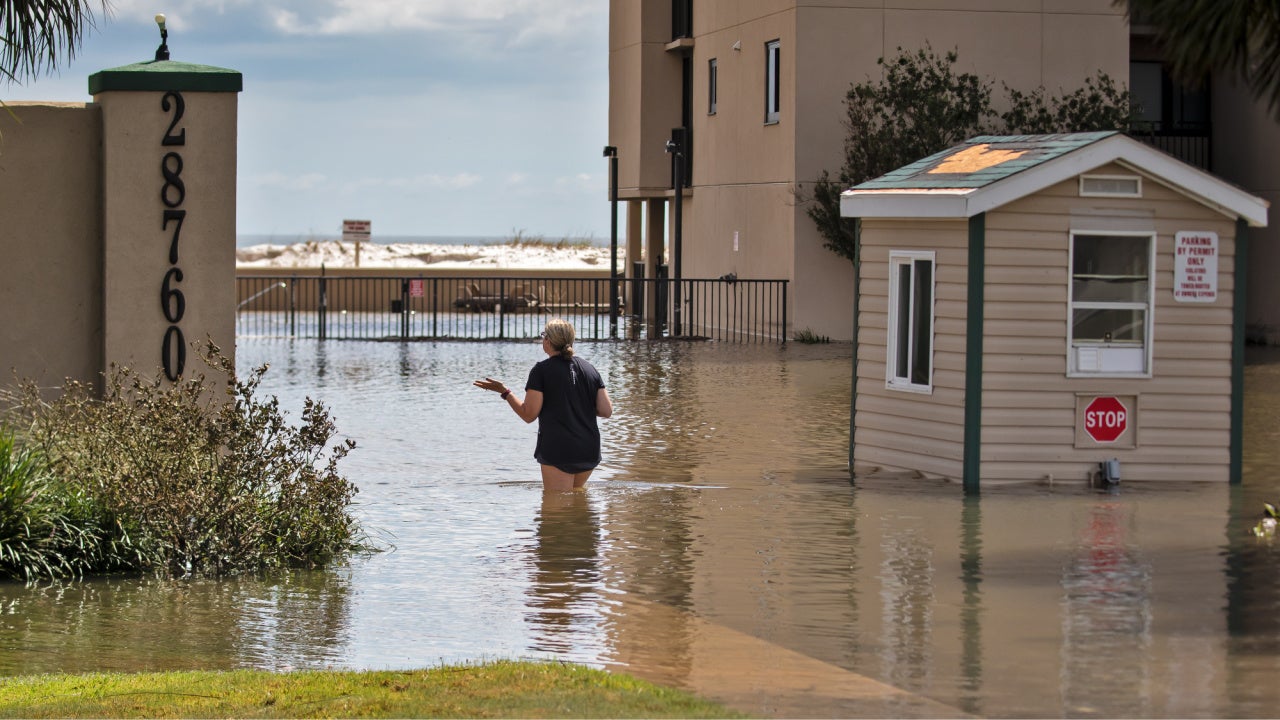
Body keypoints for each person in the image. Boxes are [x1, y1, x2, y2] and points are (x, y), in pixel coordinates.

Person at [475, 318, 613, 492]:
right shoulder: (589, 368)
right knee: (576, 502)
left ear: (548, 340)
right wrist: (578, 402)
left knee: (555, 506)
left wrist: (505, 392)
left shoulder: (541, 371)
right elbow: (606, 411)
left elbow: (528, 414)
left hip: (559, 450)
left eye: (543, 336)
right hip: (589, 449)